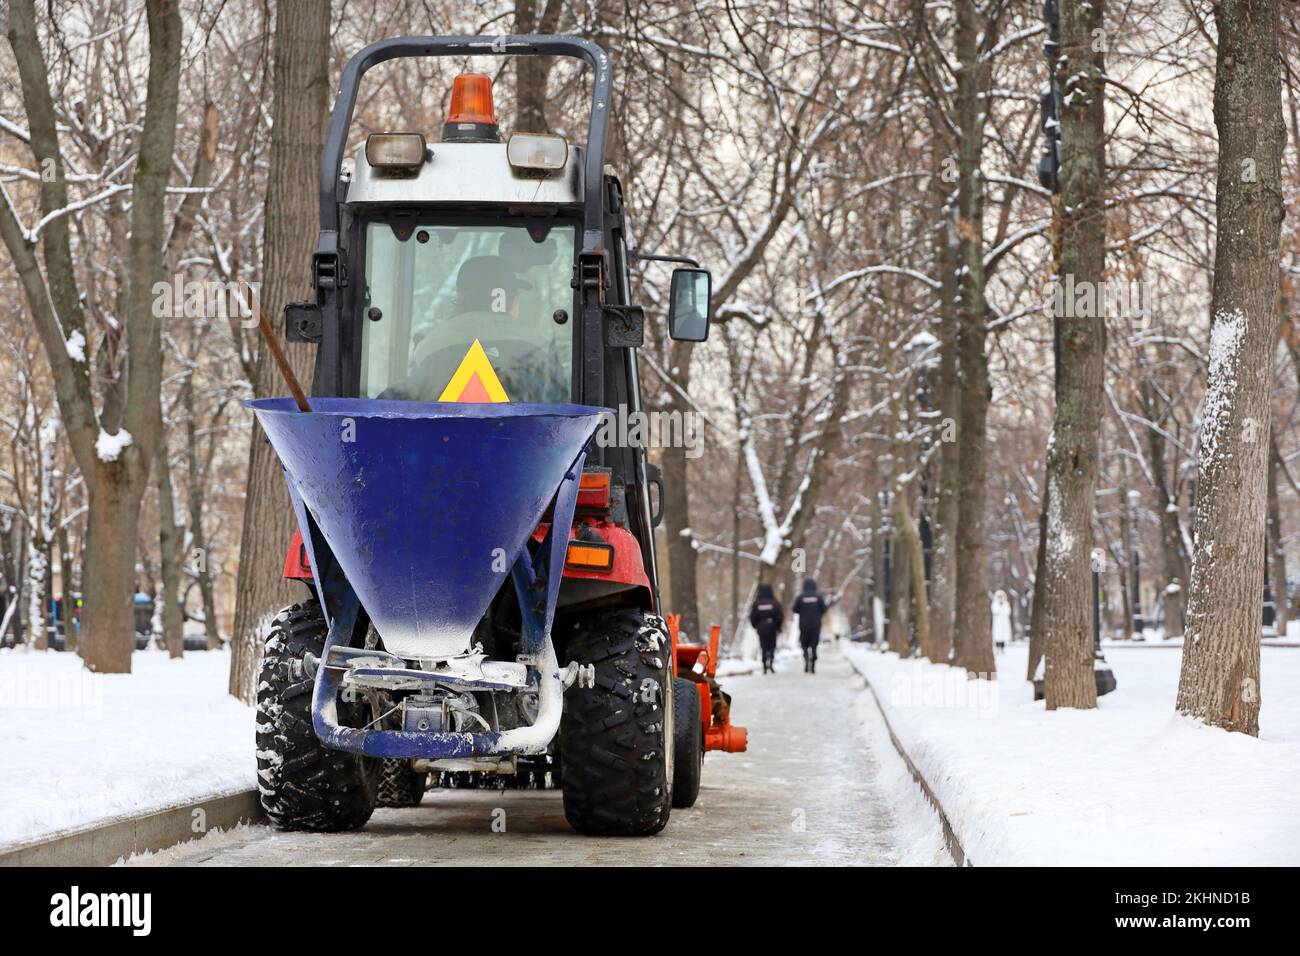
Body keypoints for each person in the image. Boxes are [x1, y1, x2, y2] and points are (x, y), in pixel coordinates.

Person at [795, 578, 827, 674]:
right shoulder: (818, 597)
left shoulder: (801, 597)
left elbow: (795, 609)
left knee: (804, 644)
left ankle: (806, 656)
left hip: (804, 625)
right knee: (814, 644)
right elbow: (824, 609)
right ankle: (812, 662)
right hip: (815, 625)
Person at [749, 583, 783, 674]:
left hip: (761, 628)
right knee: (772, 646)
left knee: (763, 647)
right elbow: (779, 615)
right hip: (772, 627)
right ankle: (770, 663)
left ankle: (764, 666)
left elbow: (753, 616)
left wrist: (756, 626)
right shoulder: (775, 603)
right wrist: (778, 627)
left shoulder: (757, 604)